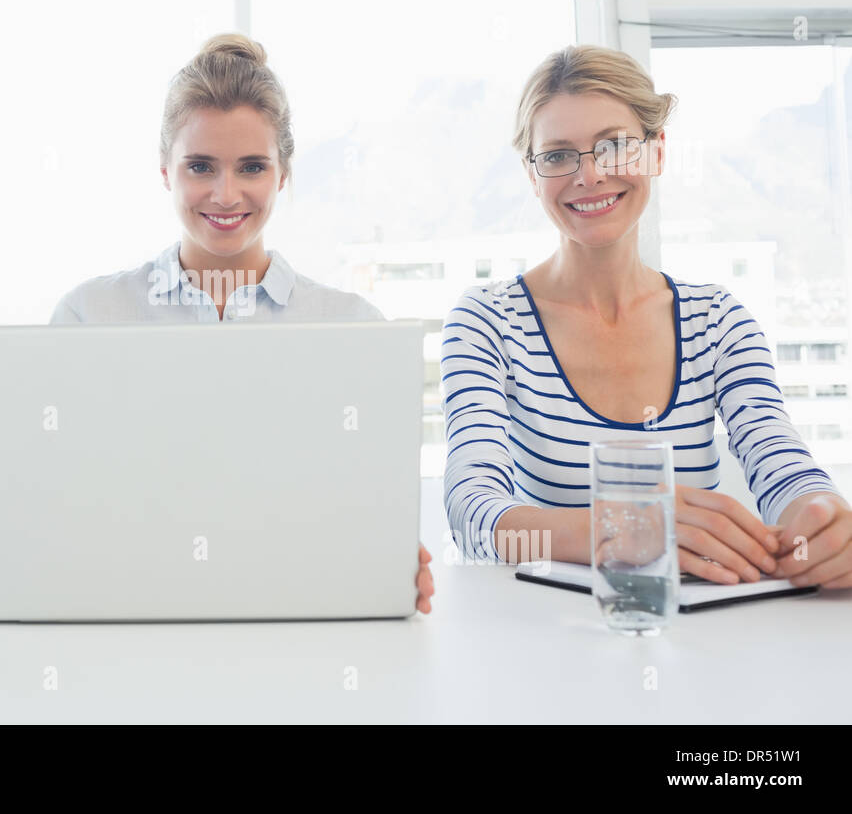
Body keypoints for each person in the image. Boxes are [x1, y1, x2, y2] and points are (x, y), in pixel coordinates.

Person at [441, 43, 852, 589]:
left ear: (656, 153)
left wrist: (822, 521)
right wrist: (620, 531)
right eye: (559, 155)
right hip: (545, 638)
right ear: (532, 172)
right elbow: (473, 516)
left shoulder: (718, 321)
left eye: (614, 146)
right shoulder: (488, 321)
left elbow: (782, 463)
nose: (588, 175)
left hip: (700, 634)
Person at [52, 33, 435, 612]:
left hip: (302, 608)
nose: (225, 195)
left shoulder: (353, 328)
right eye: (200, 166)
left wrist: (389, 563)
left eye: (251, 167)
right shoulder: (89, 315)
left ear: (283, 174)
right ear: (164, 172)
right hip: (129, 605)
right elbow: (62, 502)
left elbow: (367, 505)